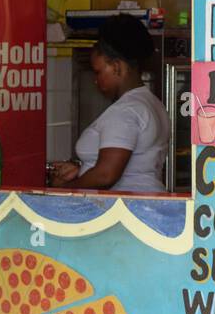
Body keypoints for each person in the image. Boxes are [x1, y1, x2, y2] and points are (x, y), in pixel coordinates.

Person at [48, 14, 170, 194]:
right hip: (144, 204)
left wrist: (63, 189)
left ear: (117, 67)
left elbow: (106, 175)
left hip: (127, 208)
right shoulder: (152, 103)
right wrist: (81, 170)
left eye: (98, 72)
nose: (96, 81)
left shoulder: (125, 111)